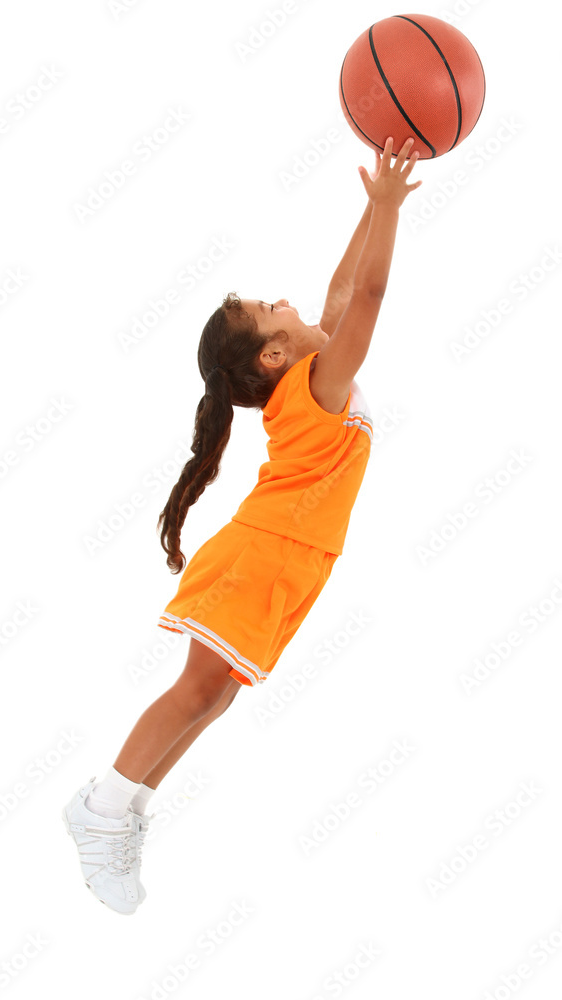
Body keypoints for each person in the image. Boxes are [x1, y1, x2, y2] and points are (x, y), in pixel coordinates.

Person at [62, 137, 422, 914]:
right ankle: (99, 808)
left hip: (290, 560)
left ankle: (124, 808)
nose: (284, 300)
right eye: (270, 309)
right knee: (196, 692)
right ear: (273, 355)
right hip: (264, 554)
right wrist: (391, 213)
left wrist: (369, 203)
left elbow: (339, 288)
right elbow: (367, 298)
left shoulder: (309, 372)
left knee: (214, 697)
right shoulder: (318, 382)